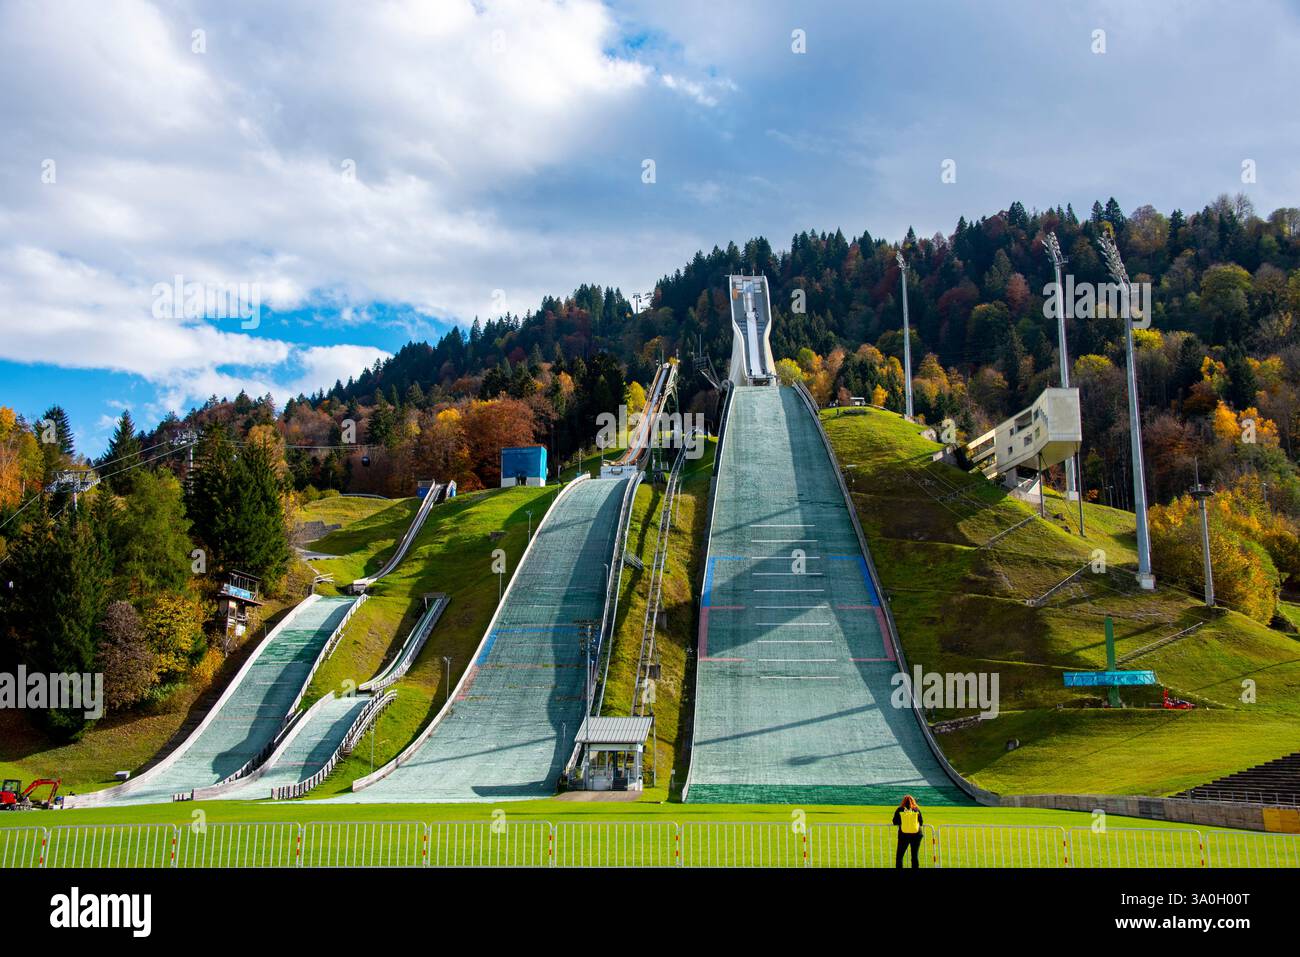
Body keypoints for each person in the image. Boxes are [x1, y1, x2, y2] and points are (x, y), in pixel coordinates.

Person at [893, 794, 924, 868]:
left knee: (899, 857)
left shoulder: (900, 809)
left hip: (904, 835)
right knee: (914, 856)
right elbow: (921, 822)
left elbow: (895, 822)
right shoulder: (916, 809)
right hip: (916, 834)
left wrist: (902, 822)